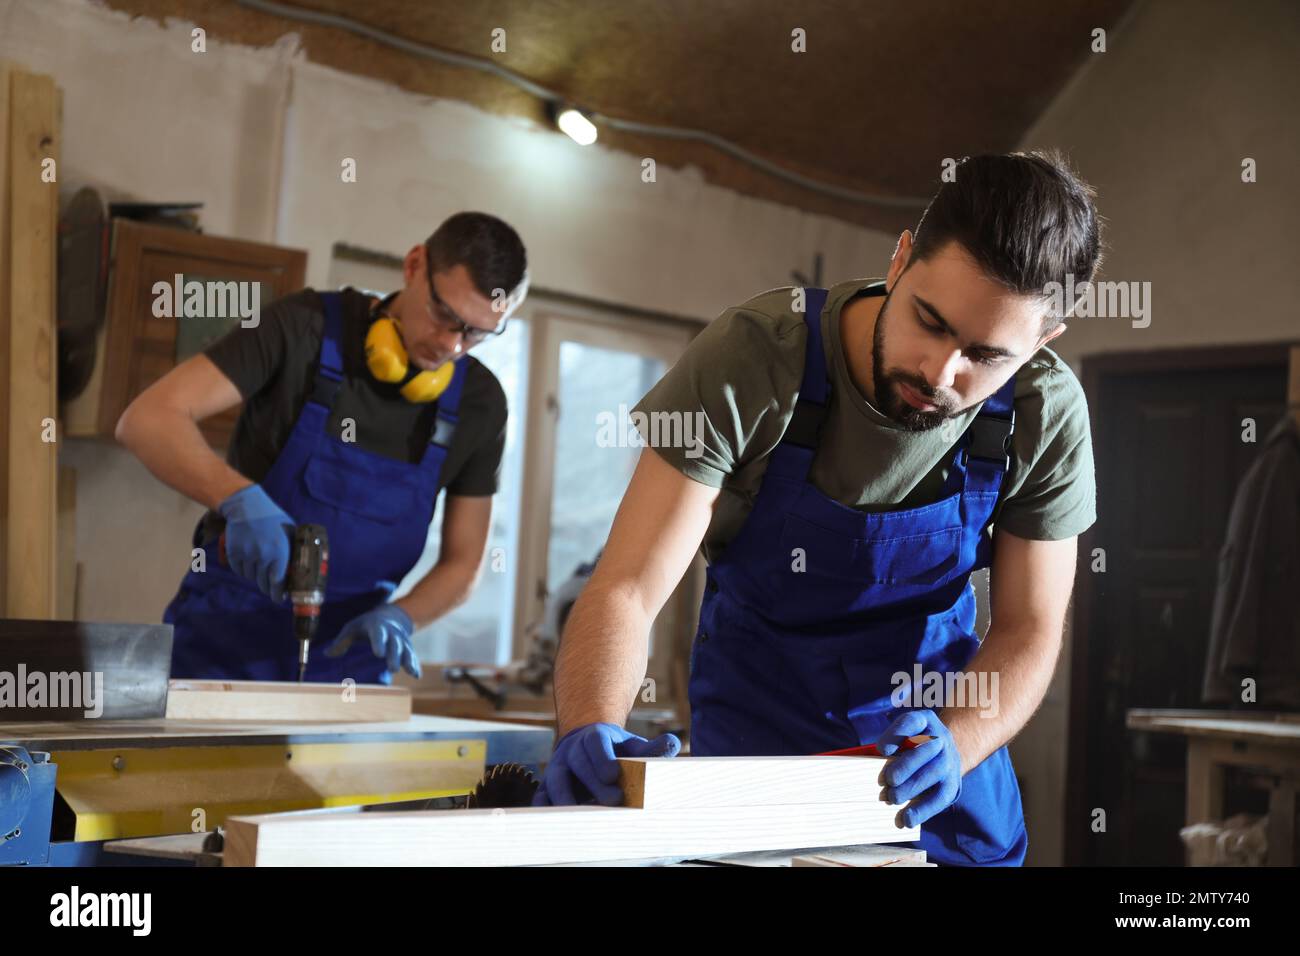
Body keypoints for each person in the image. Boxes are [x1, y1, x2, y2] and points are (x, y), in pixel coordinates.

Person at [537, 152, 1099, 866]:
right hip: (757, 765)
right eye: (929, 321)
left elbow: (1030, 626)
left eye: (986, 356)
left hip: (936, 763)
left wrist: (958, 740)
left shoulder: (1041, 412)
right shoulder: (756, 358)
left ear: (1043, 343)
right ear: (900, 260)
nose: (940, 372)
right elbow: (627, 584)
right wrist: (590, 720)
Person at [117, 212, 528, 683]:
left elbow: (464, 562)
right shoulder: (306, 328)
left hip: (349, 661)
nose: (452, 346)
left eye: (477, 332)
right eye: (445, 315)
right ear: (415, 265)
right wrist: (238, 498)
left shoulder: (480, 404)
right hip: (220, 647)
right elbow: (148, 420)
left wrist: (403, 616)